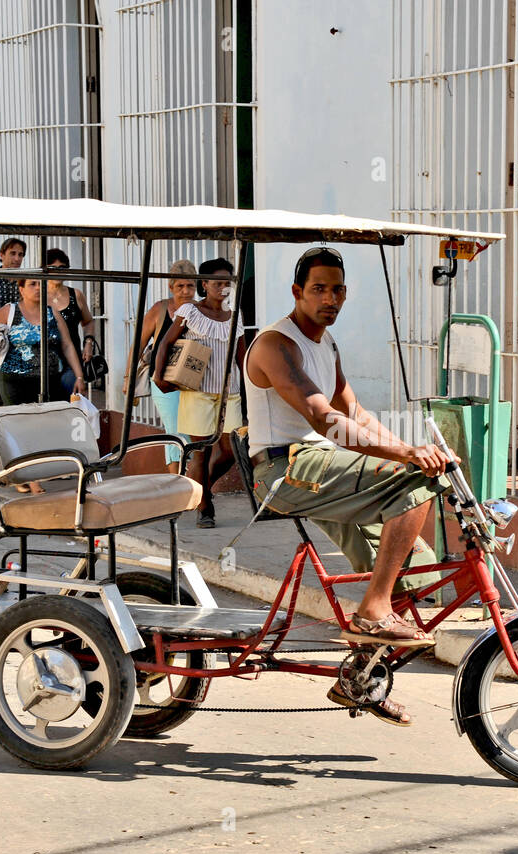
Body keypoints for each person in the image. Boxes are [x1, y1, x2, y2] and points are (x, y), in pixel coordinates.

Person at [244, 248, 458, 726]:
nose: (329, 298)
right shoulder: (275, 345)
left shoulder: (327, 344)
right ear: (297, 292)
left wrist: (413, 446)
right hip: (285, 470)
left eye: (337, 289)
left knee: (417, 569)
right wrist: (407, 458)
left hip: (325, 468)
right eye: (318, 288)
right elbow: (323, 419)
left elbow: (355, 415)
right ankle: (374, 608)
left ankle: (359, 676)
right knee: (410, 480)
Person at [0, 277, 86, 493]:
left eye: (41, 284)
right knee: (22, 428)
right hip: (13, 379)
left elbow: (67, 344)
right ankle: (33, 481)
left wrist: (79, 376)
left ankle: (26, 472)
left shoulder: (51, 312)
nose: (38, 288)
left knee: (42, 428)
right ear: (21, 288)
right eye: (32, 284)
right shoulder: (8, 312)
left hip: (47, 380)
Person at [156, 257, 243, 527]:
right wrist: (159, 376)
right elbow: (166, 343)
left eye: (227, 282)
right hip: (198, 391)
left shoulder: (235, 315)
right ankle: (205, 508)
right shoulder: (190, 312)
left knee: (231, 450)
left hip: (230, 391)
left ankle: (201, 489)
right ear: (204, 284)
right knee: (202, 452)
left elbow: (242, 356)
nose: (224, 287)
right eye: (218, 283)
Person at [138, 259, 197, 474]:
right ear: (170, 287)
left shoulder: (201, 310)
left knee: (191, 431)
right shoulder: (160, 309)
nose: (185, 291)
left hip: (193, 381)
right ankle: (177, 479)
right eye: (180, 286)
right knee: (175, 429)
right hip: (162, 380)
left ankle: (186, 480)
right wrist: (128, 379)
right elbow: (139, 344)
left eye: (190, 286)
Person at [43, 248, 96, 397]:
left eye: (62, 268)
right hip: (44, 362)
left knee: (72, 400)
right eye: (53, 268)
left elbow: (88, 322)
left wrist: (89, 342)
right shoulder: (37, 295)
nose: (58, 272)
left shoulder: (76, 295)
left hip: (71, 360)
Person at [0, 237, 26, 308]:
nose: (17, 259)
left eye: (20, 255)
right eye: (13, 253)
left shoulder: (26, 282)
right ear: (1, 255)